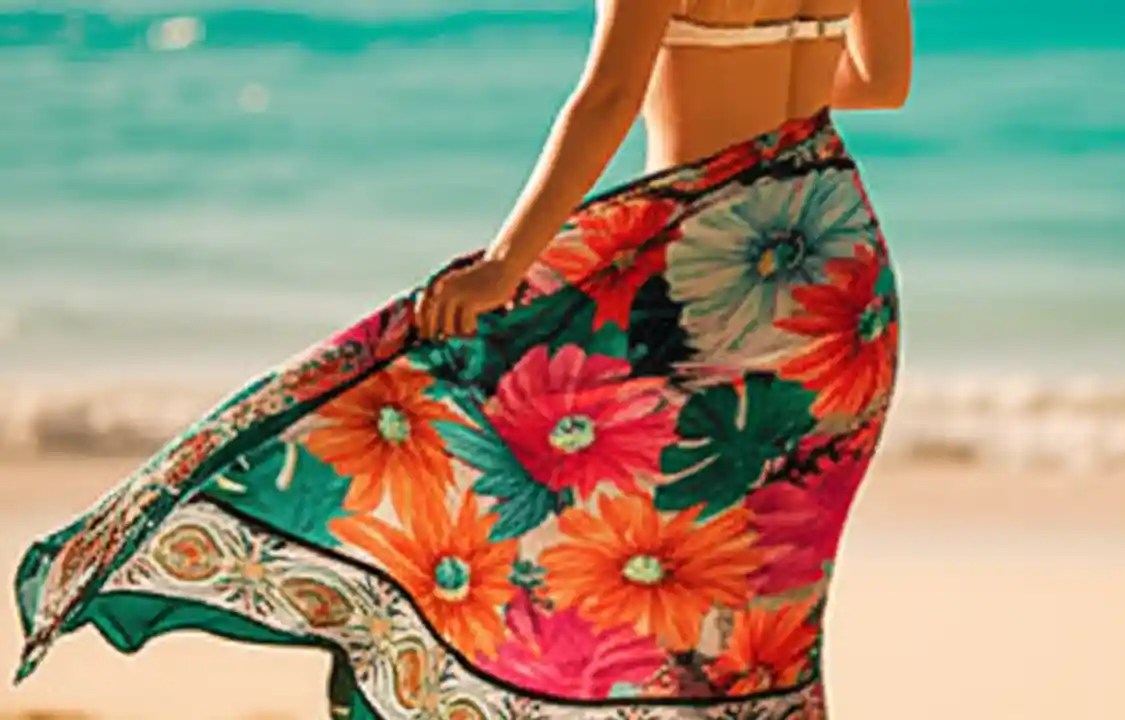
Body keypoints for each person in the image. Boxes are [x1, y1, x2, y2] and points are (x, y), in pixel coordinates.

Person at [14, 1, 912, 718]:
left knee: (645, 574)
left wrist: (503, 266)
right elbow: (882, 80)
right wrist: (769, 66)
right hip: (836, 279)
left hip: (706, 274)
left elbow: (606, 98)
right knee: (761, 618)